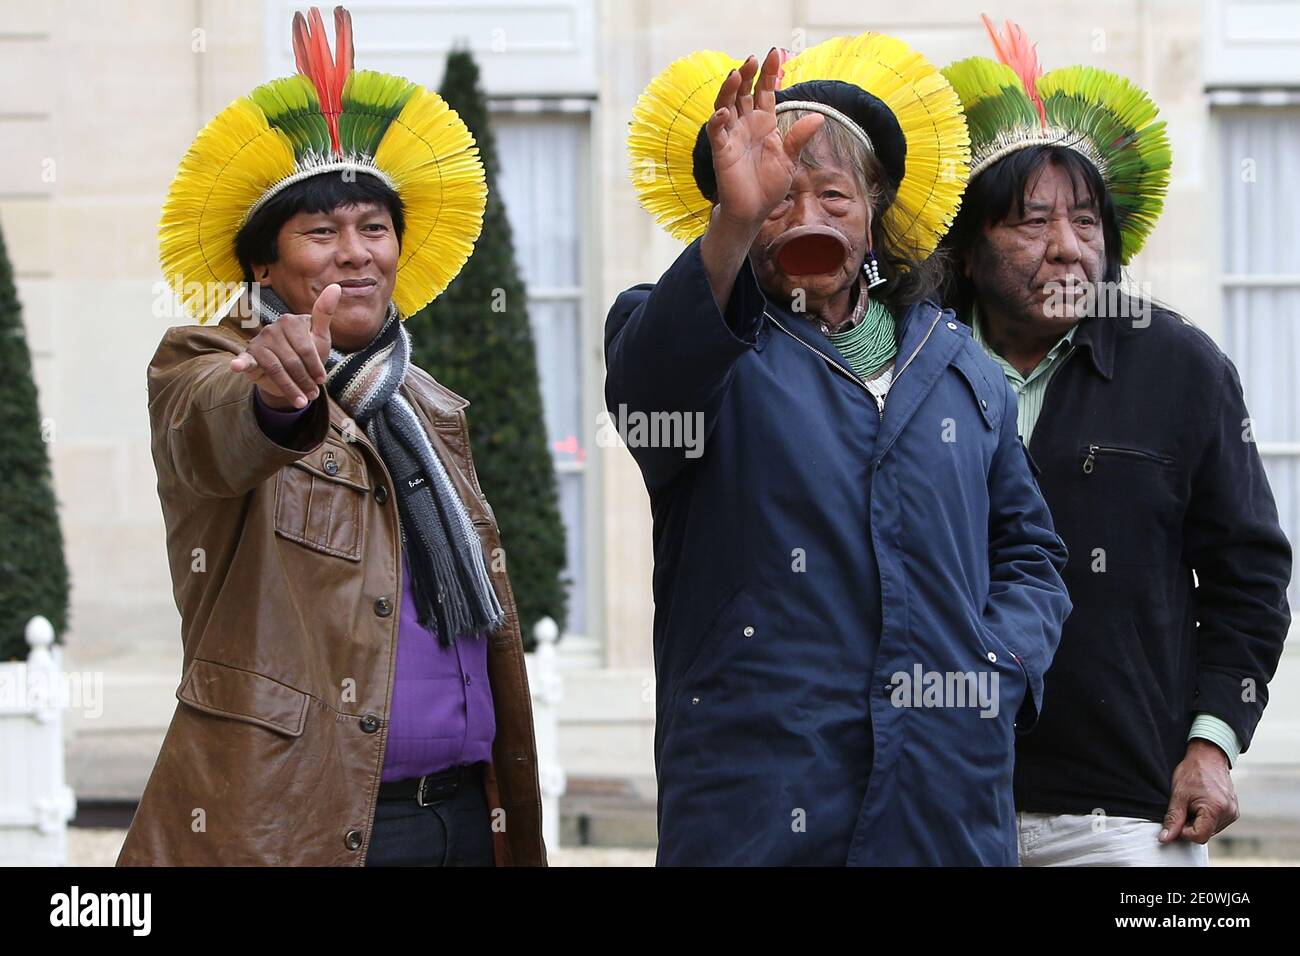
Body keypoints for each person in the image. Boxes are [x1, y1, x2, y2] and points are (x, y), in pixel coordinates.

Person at [607, 34, 1071, 865]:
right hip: (756, 796)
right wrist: (735, 221)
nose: (808, 220)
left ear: (876, 210)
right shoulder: (696, 336)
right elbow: (650, 394)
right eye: (779, 200)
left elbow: (1030, 552)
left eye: (834, 195)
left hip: (944, 802)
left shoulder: (962, 363)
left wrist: (996, 670)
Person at [117, 5, 545, 867]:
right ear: (263, 269)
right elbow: (214, 431)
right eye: (321, 232)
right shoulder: (209, 362)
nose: (356, 253)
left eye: (374, 229)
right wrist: (278, 402)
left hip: (468, 816)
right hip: (312, 825)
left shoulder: (425, 403)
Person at [940, 17, 1292, 865]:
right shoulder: (919, 368)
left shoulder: (1181, 368)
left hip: (1132, 818)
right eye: (1030, 223)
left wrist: (1213, 743)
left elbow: (1251, 579)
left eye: (1088, 223)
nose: (1068, 248)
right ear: (966, 246)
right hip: (941, 804)